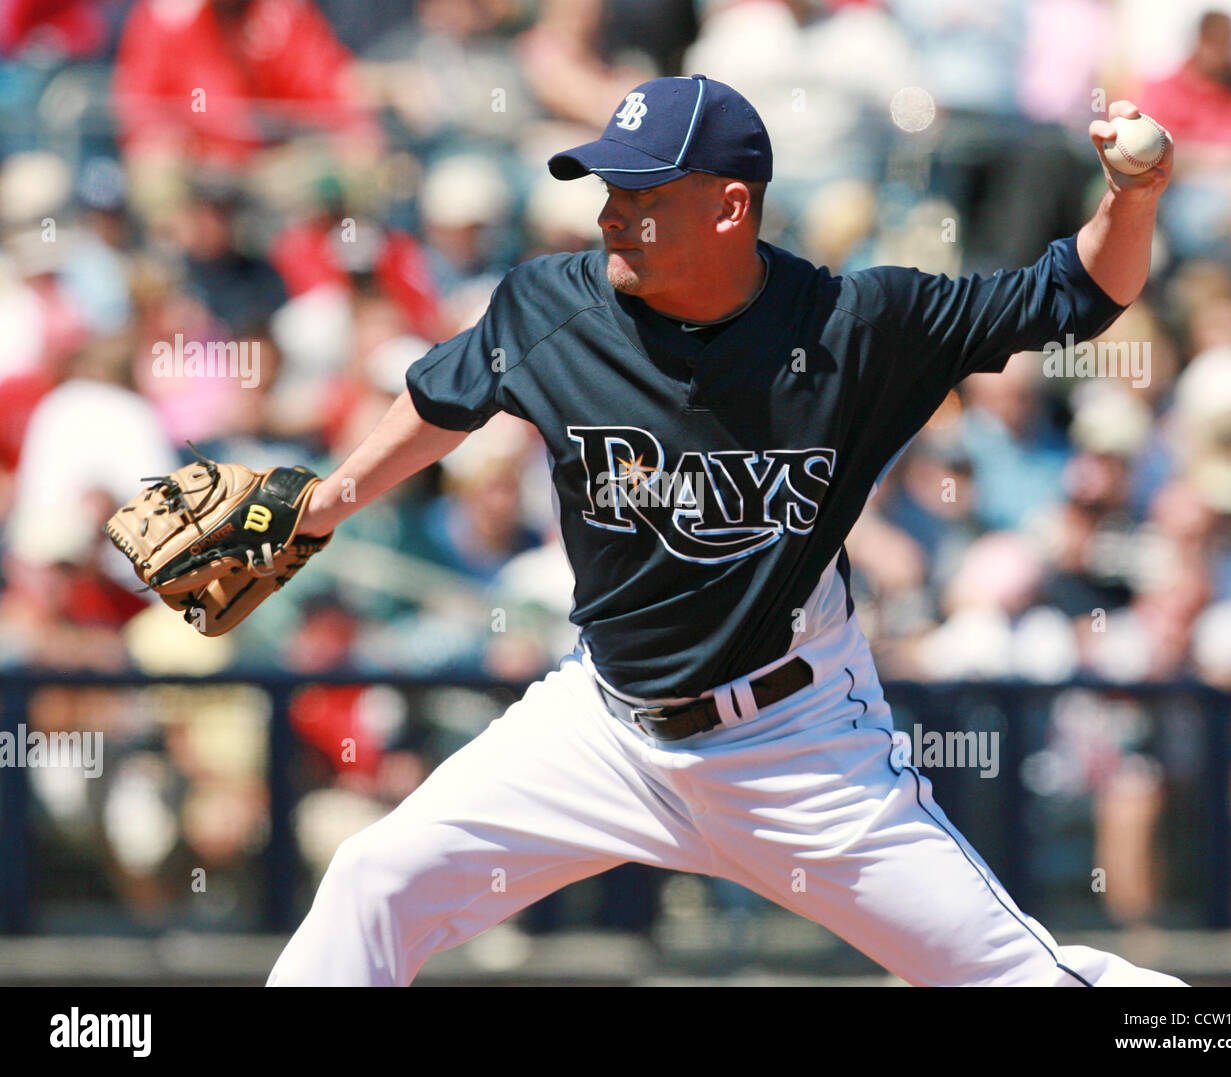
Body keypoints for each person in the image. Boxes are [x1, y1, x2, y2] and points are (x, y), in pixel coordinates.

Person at [267, 75, 1184, 986]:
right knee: (372, 879)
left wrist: (1132, 196)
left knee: (1014, 979)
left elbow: (1075, 293)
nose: (610, 215)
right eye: (607, 190)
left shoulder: (855, 325)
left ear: (730, 205)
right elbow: (445, 397)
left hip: (795, 743)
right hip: (603, 726)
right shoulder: (551, 308)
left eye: (641, 194)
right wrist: (325, 504)